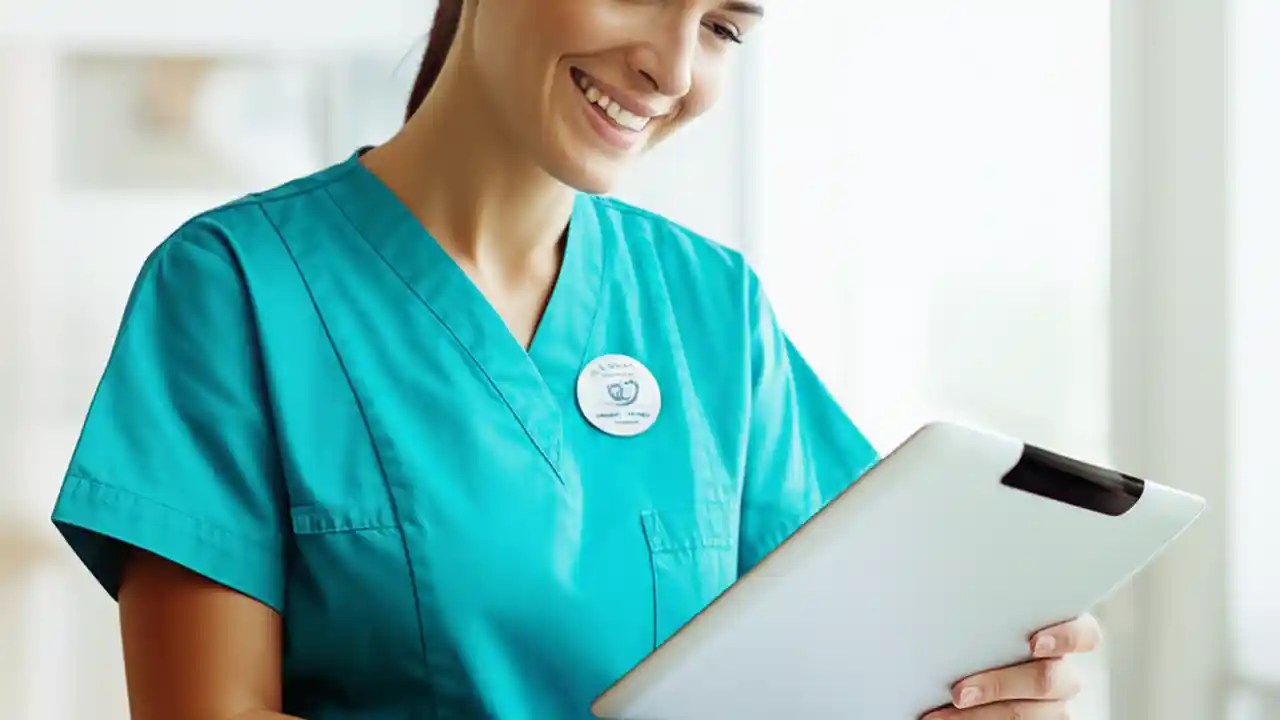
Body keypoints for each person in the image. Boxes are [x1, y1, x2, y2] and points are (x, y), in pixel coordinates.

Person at [49, 0, 1102, 718]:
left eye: (724, 24)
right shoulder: (235, 286)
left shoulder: (711, 308)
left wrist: (975, 692)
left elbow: (837, 671)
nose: (674, 68)